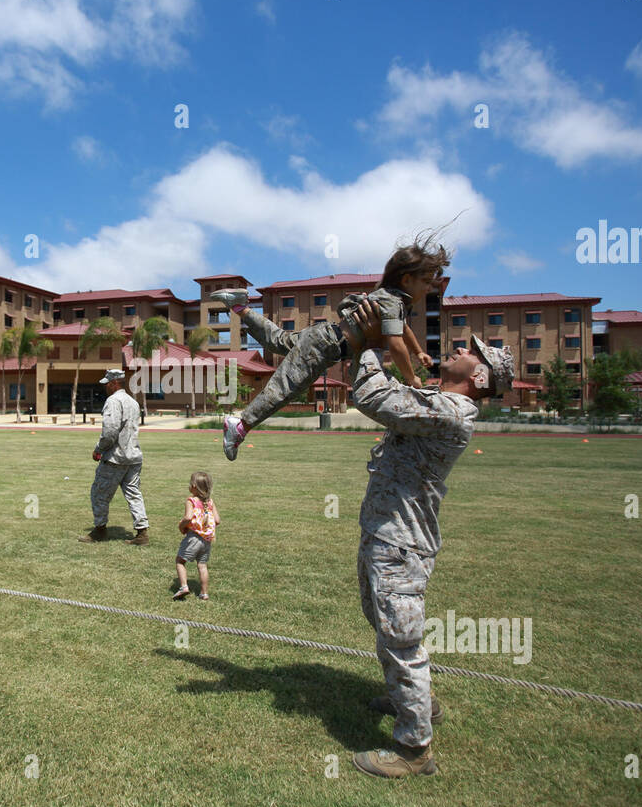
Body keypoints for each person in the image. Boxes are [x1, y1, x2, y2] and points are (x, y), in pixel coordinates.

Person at [345, 299, 514, 779]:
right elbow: (399, 395)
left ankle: (413, 749)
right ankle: (415, 699)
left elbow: (374, 397)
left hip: (400, 544)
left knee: (400, 639)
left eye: (472, 351)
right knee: (386, 625)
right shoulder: (442, 403)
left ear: (479, 378)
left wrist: (369, 344)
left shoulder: (453, 411)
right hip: (388, 533)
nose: (461, 347)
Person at [209, 237, 446, 460]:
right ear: (406, 280)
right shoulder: (393, 303)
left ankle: (240, 306)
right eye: (425, 281)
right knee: (286, 387)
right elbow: (395, 343)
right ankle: (240, 425)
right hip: (326, 346)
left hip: (323, 335)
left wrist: (419, 352)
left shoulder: (390, 299)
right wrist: (411, 377)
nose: (428, 288)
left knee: (278, 340)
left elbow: (404, 330)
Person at [80, 369, 149, 544]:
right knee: (134, 494)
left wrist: (99, 449)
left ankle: (100, 530)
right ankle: (142, 532)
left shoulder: (113, 401)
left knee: (99, 493)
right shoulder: (133, 402)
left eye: (107, 384)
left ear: (114, 383)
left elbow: (110, 432)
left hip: (115, 458)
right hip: (134, 456)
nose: (106, 388)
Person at [173, 471, 219, 601]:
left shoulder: (191, 500)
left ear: (193, 486)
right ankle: (204, 593)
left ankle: (183, 587)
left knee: (180, 561)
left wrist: (182, 525)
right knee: (202, 565)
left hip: (194, 537)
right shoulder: (210, 502)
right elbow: (217, 521)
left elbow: (188, 517)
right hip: (207, 540)